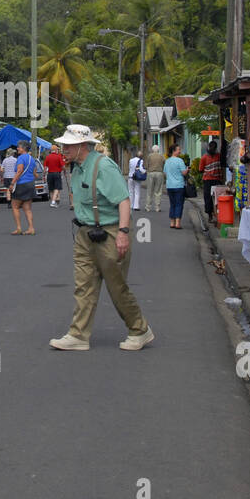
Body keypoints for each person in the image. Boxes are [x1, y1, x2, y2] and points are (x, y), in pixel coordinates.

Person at [48, 125, 153, 351]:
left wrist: (123, 233)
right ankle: (78, 335)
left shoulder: (103, 166)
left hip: (110, 231)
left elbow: (123, 200)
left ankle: (140, 330)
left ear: (82, 146)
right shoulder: (76, 167)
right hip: (85, 232)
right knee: (83, 285)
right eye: (64, 144)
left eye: (68, 145)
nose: (63, 148)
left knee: (117, 287)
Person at [9, 140, 37, 235]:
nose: (17, 148)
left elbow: (19, 170)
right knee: (27, 208)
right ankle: (31, 228)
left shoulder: (21, 158)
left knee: (15, 206)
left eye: (19, 147)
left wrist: (12, 183)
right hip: (30, 184)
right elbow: (34, 173)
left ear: (23, 148)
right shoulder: (31, 159)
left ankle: (19, 228)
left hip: (21, 184)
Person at [164, 144, 189, 229]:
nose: (180, 151)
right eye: (178, 150)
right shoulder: (180, 161)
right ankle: (177, 223)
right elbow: (184, 173)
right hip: (179, 185)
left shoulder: (167, 161)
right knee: (179, 204)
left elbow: (165, 173)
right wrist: (187, 169)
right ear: (174, 151)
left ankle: (172, 222)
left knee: (172, 204)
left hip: (169, 185)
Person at [201, 138, 222, 216]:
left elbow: (200, 169)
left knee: (208, 197)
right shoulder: (219, 156)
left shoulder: (204, 157)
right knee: (216, 197)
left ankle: (209, 213)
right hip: (217, 180)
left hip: (207, 180)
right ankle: (216, 213)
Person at [144, 142, 165, 212]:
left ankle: (148, 207)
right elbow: (164, 164)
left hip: (151, 173)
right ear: (158, 150)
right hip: (159, 173)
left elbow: (146, 165)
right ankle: (157, 207)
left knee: (149, 191)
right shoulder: (161, 156)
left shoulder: (149, 156)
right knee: (158, 191)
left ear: (152, 150)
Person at [126, 147, 145, 214]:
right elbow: (141, 169)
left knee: (130, 191)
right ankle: (136, 206)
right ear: (141, 156)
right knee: (137, 191)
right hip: (137, 178)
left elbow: (130, 168)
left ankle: (130, 205)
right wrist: (145, 172)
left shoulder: (131, 160)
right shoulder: (141, 161)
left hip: (130, 176)